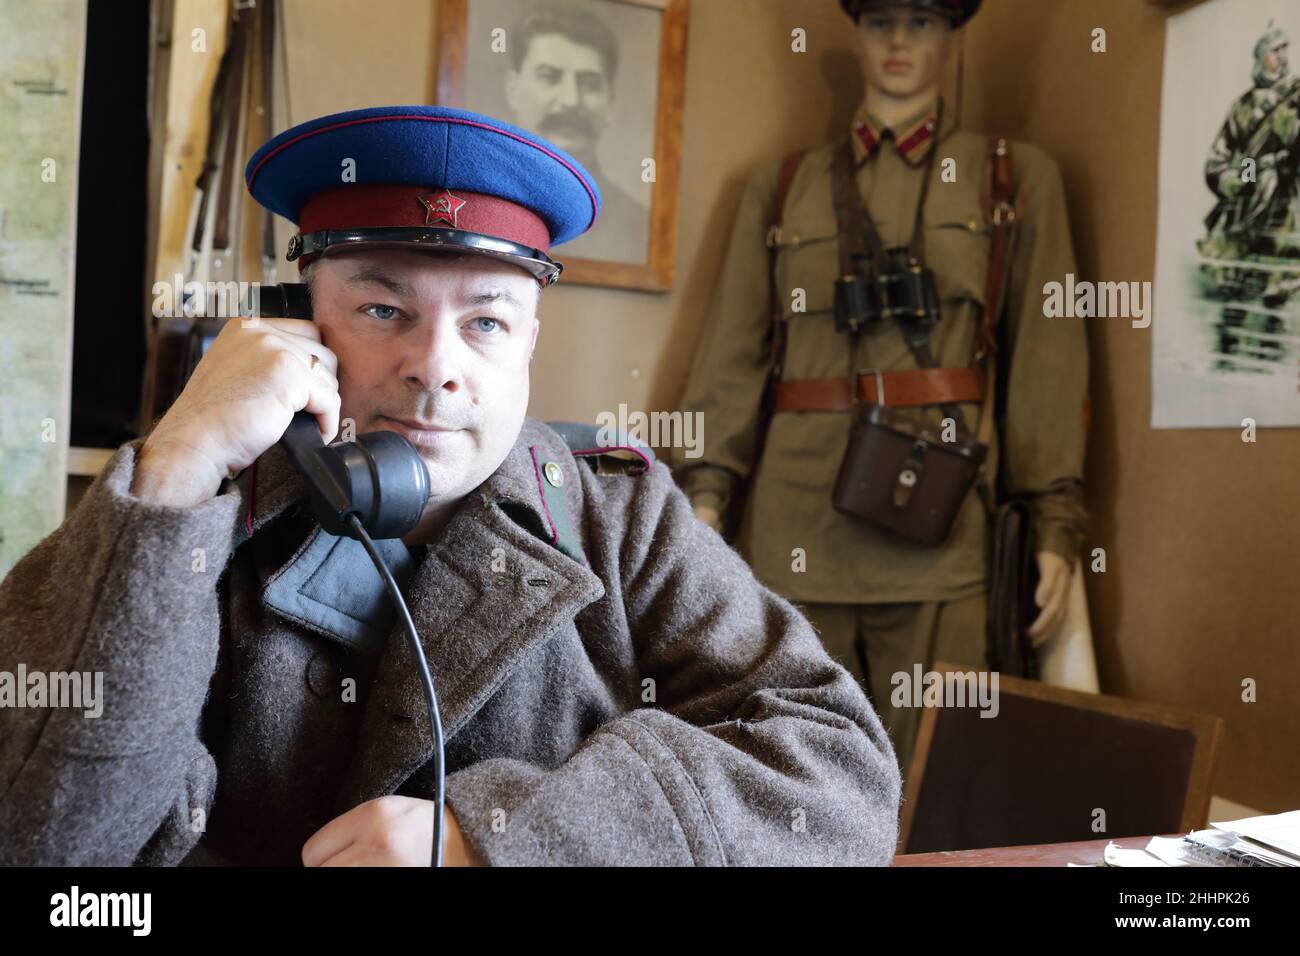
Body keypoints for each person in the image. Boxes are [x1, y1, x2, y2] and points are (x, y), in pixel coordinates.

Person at [0, 105, 901, 866]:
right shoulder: (186, 503)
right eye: (383, 309)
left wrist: (494, 839)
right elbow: (47, 842)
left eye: (486, 322)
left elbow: (838, 771)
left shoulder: (620, 516)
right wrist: (177, 469)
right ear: (292, 320)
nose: (436, 368)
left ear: (529, 345)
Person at [671, 0, 1089, 781]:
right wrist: (705, 497)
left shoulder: (1013, 176)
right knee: (785, 769)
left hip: (940, 529)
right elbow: (731, 353)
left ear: (955, 34)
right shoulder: (783, 184)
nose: (899, 41)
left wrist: (1055, 521)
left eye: (923, 21)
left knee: (939, 779)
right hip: (798, 523)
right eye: (881, 20)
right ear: (855, 32)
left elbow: (1047, 359)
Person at [504, 1, 650, 263]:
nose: (571, 100)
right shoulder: (476, 208)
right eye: (550, 77)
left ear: (610, 101)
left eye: (590, 84)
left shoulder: (636, 219)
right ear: (513, 89)